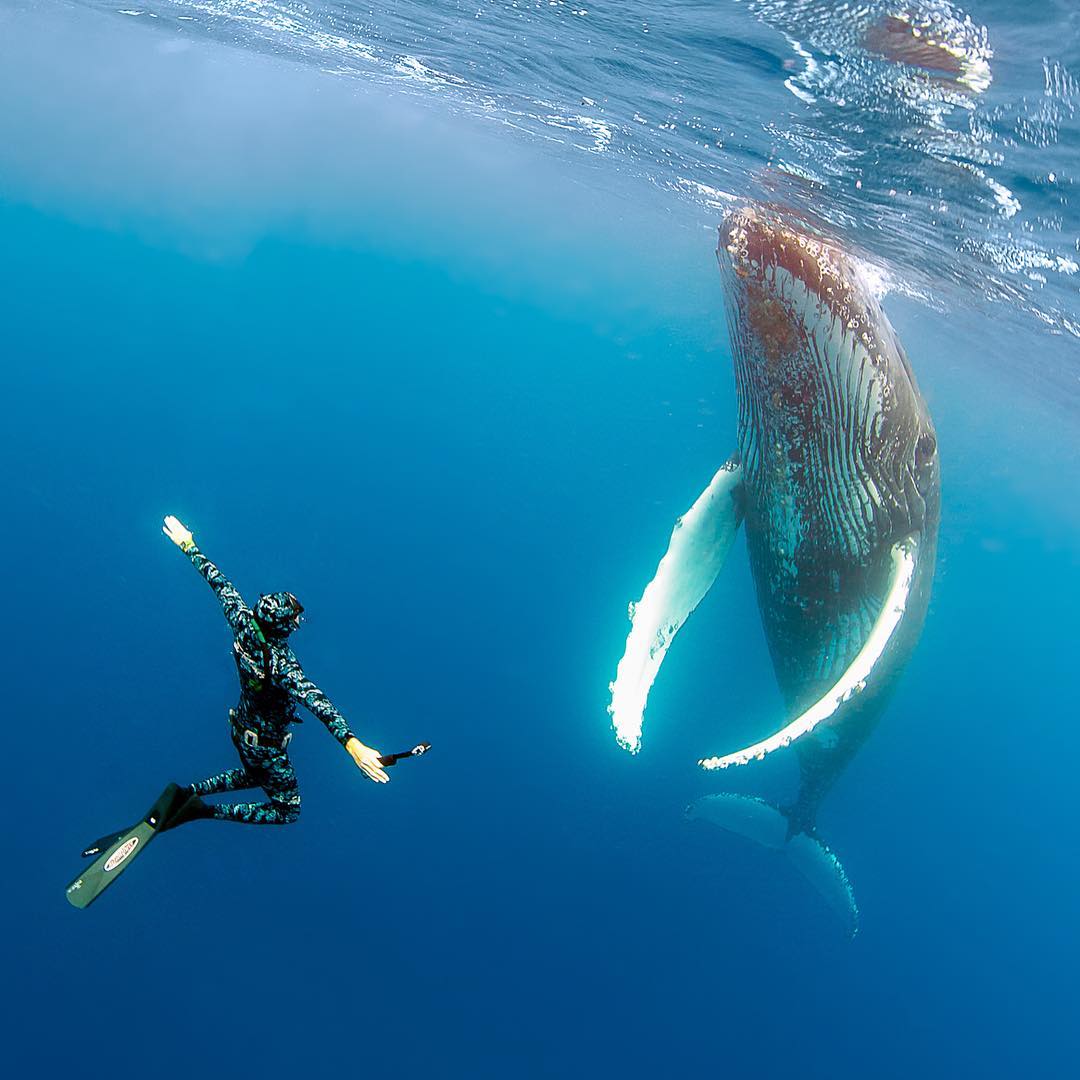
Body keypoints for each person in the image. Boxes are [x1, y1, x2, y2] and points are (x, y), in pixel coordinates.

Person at [159, 514, 389, 829]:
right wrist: (353, 745)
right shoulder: (280, 665)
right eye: (294, 620)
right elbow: (317, 702)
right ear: (281, 627)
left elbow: (219, 583)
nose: (298, 623)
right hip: (265, 745)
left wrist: (189, 545)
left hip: (241, 730)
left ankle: (188, 792)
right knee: (287, 811)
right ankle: (199, 811)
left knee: (257, 774)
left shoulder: (242, 620)